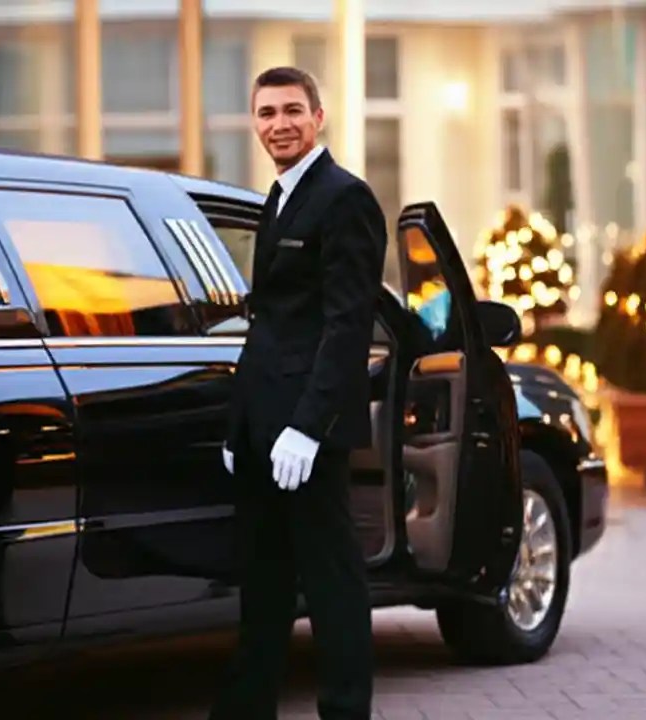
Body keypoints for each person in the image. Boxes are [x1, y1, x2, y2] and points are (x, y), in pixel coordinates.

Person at [211, 66, 387, 720]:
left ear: (318, 117)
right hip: (263, 429)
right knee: (263, 585)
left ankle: (345, 711)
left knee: (332, 584)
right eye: (266, 113)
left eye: (291, 111)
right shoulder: (280, 198)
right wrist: (238, 428)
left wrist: (310, 428)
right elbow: (269, 327)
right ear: (254, 123)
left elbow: (347, 327)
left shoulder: (345, 199)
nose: (279, 125)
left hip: (306, 438)